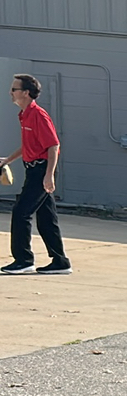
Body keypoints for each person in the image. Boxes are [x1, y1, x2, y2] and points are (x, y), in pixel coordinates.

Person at [1, 74, 71, 275]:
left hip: (42, 170)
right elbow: (28, 145)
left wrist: (48, 176)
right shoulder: (24, 115)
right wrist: (8, 160)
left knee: (21, 212)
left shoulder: (38, 115)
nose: (10, 93)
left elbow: (53, 145)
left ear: (25, 93)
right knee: (47, 218)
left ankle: (23, 260)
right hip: (33, 170)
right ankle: (60, 262)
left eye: (14, 89)